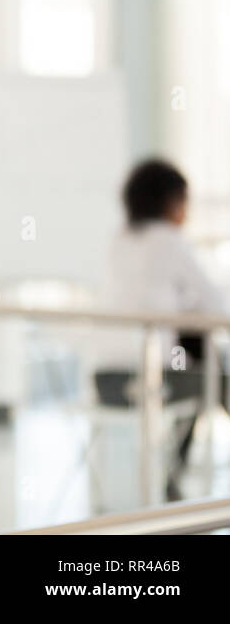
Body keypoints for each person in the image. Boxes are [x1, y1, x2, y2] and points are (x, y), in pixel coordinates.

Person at [103, 158, 225, 498]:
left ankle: (174, 471)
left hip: (106, 381)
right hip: (155, 380)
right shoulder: (171, 241)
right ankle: (175, 470)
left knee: (199, 359)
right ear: (171, 201)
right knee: (214, 377)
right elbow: (217, 305)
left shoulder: (120, 240)